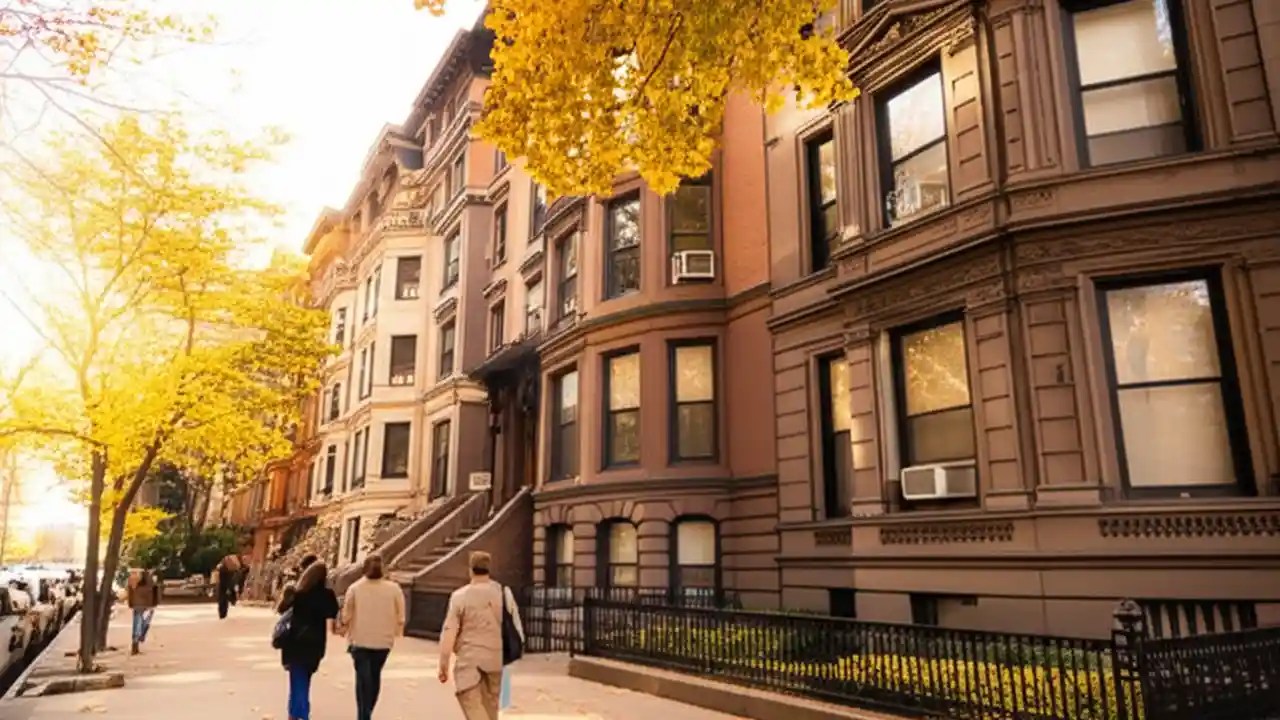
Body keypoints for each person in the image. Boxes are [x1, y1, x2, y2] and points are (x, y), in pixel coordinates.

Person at [438, 551, 524, 720]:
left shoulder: (460, 596)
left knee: (472, 706)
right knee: (491, 709)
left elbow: (450, 631)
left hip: (469, 661)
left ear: (470, 570)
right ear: (488, 569)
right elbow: (516, 625)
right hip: (495, 660)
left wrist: (444, 662)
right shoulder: (503, 593)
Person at [339, 554, 404, 720]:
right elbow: (401, 616)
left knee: (362, 681)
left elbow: (346, 616)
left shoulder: (355, 588)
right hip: (383, 641)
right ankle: (367, 712)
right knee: (375, 677)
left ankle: (363, 714)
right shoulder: (394, 589)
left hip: (359, 641)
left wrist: (344, 626)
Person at [277, 559, 339, 720]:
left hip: (295, 641)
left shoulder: (298, 593)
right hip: (315, 644)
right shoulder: (327, 595)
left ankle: (302, 715)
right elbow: (333, 614)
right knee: (303, 680)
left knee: (297, 681)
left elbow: (281, 609)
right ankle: (293, 713)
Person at [126, 568, 161, 655]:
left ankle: (136, 642)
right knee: (144, 622)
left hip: (137, 605)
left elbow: (130, 594)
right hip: (146, 605)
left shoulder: (132, 581)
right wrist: (154, 603)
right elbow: (154, 591)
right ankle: (139, 638)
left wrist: (131, 604)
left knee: (138, 623)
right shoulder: (148, 580)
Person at [216, 554, 242, 619]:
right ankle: (223, 613)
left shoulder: (225, 569)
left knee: (223, 600)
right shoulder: (227, 569)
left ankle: (223, 613)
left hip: (224, 586)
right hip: (225, 585)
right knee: (223, 599)